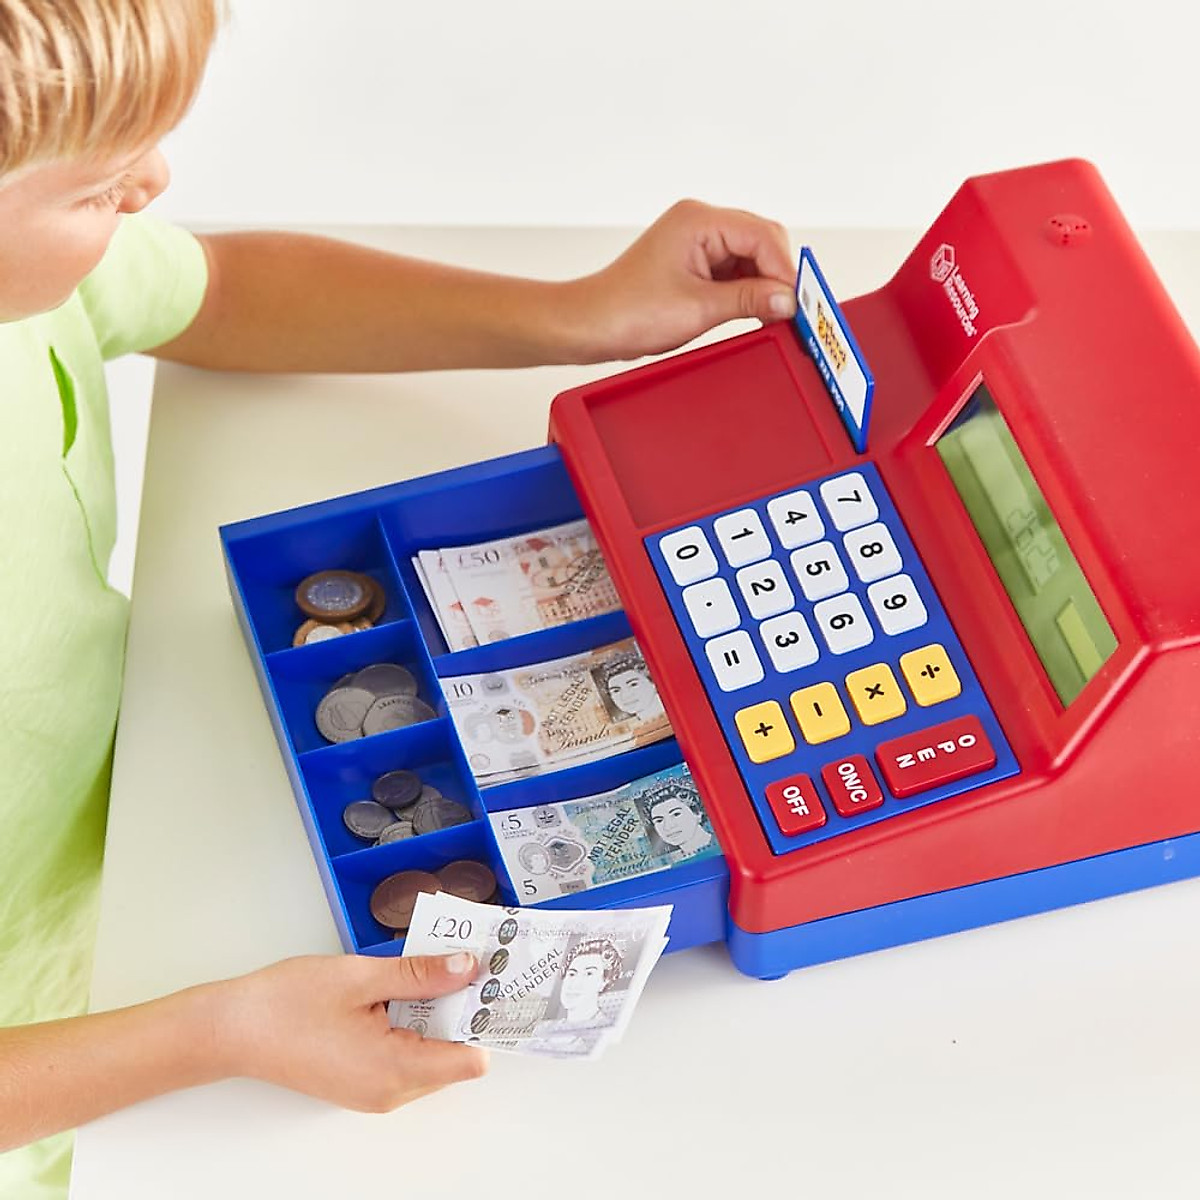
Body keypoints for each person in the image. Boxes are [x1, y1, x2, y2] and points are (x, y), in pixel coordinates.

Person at [0, 0, 798, 1193]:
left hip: (139, 840)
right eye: (100, 185)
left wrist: (571, 315)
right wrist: (213, 1035)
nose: (157, 182)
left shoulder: (34, 286)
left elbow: (209, 291)